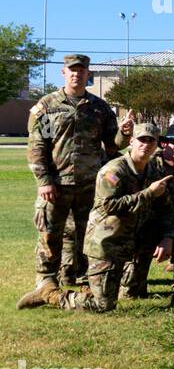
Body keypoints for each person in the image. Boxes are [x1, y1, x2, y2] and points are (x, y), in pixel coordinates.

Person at [20, 53, 132, 308]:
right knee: (50, 232)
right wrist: (44, 180)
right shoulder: (47, 106)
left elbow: (112, 146)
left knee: (86, 234)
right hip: (56, 184)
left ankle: (81, 276)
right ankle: (46, 280)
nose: (76, 74)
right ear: (63, 73)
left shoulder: (99, 107)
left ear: (87, 74)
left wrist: (124, 135)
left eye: (81, 70)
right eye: (72, 70)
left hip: (89, 185)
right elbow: (38, 145)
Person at [32, 124, 172, 312]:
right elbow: (108, 205)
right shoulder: (113, 171)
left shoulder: (153, 172)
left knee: (131, 293)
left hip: (131, 240)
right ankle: (50, 294)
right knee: (103, 305)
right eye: (141, 139)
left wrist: (168, 237)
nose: (145, 145)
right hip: (105, 243)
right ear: (131, 142)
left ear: (156, 146)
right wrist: (149, 193)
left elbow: (166, 208)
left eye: (151, 141)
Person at [120, 127, 174, 307]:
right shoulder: (147, 167)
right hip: (138, 227)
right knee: (131, 294)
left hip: (169, 227)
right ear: (164, 143)